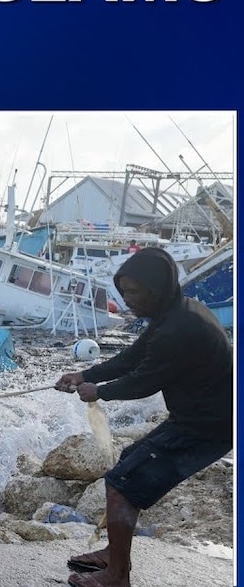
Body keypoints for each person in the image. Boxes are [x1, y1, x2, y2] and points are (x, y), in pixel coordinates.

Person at [54, 247, 232, 587]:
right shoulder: (175, 312)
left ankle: (118, 575)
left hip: (209, 426)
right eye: (124, 292)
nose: (127, 300)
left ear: (157, 287)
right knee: (128, 461)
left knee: (120, 484)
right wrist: (84, 374)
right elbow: (132, 358)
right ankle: (114, 552)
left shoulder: (177, 328)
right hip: (200, 417)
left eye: (134, 292)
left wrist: (98, 392)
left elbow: (144, 381)